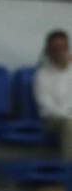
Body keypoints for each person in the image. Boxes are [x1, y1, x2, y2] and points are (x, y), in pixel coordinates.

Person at [34, 30, 72, 159]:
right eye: (55, 48)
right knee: (70, 124)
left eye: (63, 47)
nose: (60, 52)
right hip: (53, 120)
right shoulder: (42, 75)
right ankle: (69, 170)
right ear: (48, 51)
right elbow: (46, 105)